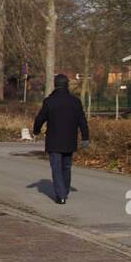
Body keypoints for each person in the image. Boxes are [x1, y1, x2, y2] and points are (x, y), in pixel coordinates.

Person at [32, 73, 90, 204]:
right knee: (66, 167)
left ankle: (61, 194)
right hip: (69, 139)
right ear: (67, 85)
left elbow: (40, 118)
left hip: (54, 140)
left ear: (55, 85)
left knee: (56, 167)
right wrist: (85, 137)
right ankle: (64, 191)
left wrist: (36, 130)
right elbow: (82, 120)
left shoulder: (49, 101)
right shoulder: (75, 101)